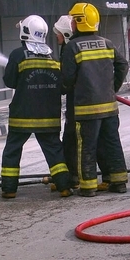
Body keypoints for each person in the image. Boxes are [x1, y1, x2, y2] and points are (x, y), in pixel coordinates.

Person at [0, 15, 71, 199]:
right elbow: (62, 86)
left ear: (25, 32)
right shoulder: (53, 57)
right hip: (49, 116)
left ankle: (9, 189)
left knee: (12, 150)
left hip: (22, 116)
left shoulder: (18, 55)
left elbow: (10, 81)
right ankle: (64, 186)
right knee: (54, 150)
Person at [61, 2, 129, 197]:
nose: (71, 24)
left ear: (80, 22)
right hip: (109, 107)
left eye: (74, 20)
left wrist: (67, 88)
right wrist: (112, 88)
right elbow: (123, 65)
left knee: (87, 147)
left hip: (86, 109)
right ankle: (119, 182)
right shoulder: (107, 43)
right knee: (112, 144)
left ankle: (88, 186)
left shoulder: (72, 47)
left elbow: (66, 79)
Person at [52, 14, 78, 190]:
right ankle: (73, 176)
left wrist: (59, 86)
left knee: (71, 139)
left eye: (59, 33)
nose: (57, 36)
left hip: (77, 102)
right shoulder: (69, 48)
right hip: (76, 100)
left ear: (67, 34)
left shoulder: (70, 49)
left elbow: (68, 78)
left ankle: (74, 177)